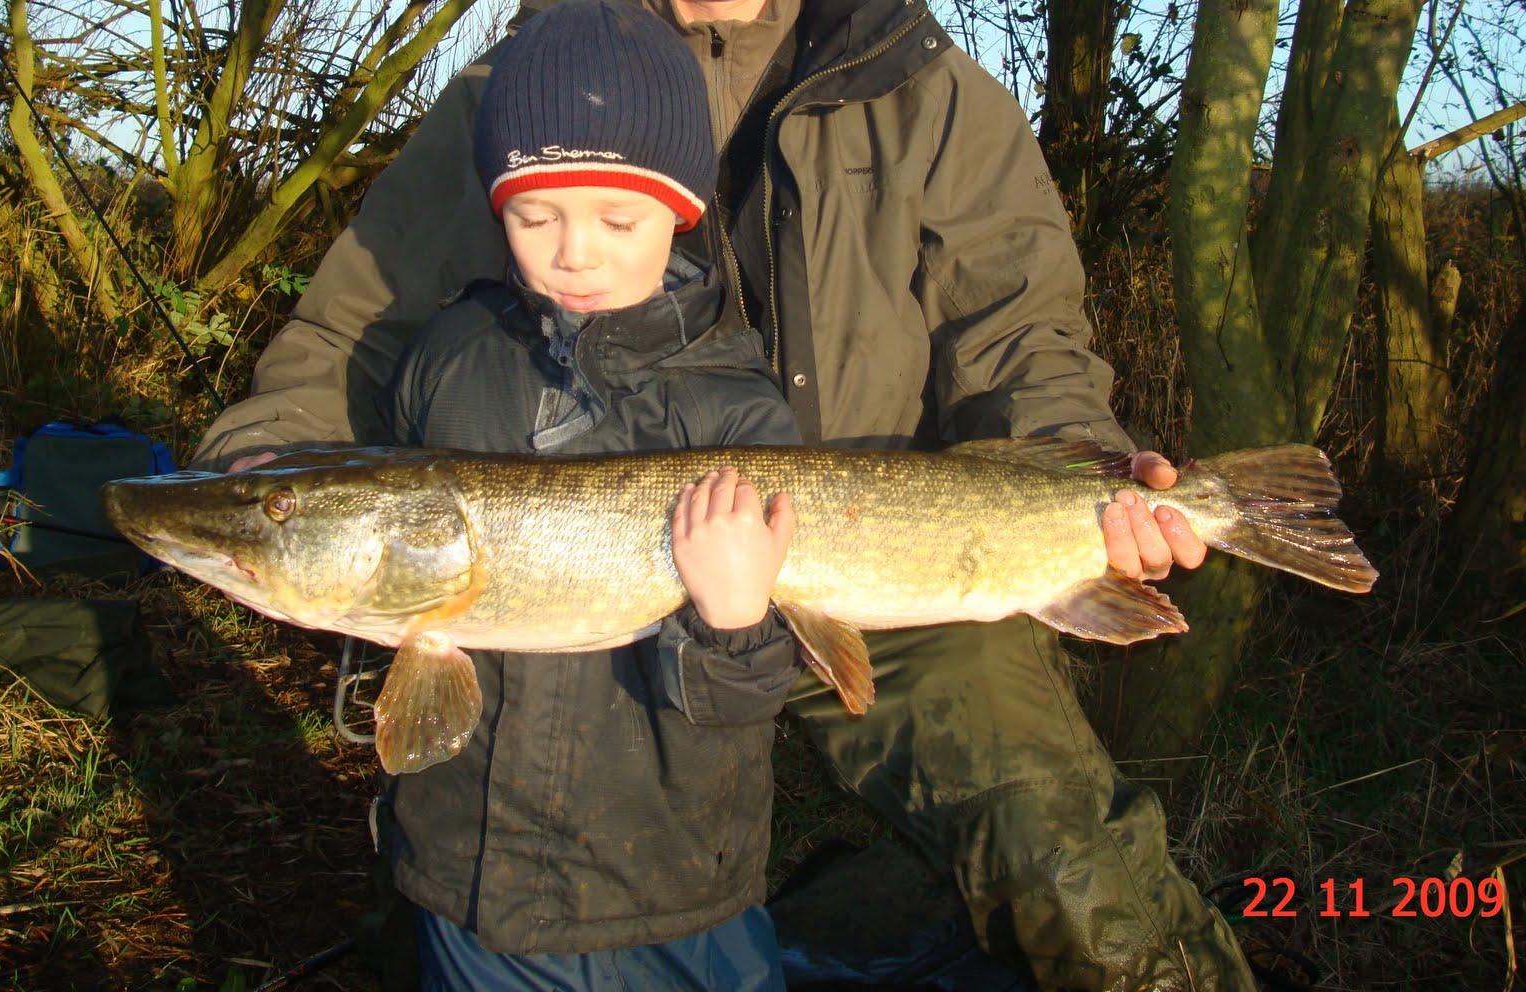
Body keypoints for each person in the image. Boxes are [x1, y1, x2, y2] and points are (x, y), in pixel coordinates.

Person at [192, 0, 1256, 986]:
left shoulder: (926, 91)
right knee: (477, 895)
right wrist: (263, 459)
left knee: (1071, 864)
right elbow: (355, 329)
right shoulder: (530, 84)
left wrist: (1081, 467)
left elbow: (1020, 335)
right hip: (601, 574)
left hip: (900, 571)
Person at [373, 2, 804, 987]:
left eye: (618, 218)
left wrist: (735, 619)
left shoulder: (735, 407)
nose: (576, 252)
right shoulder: (448, 361)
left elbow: (752, 689)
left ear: (680, 211)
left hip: (676, 880)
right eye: (535, 215)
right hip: (478, 880)